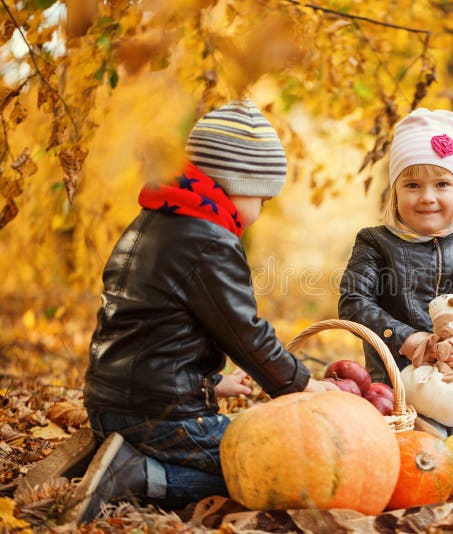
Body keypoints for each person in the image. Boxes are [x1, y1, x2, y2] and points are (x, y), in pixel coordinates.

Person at [62, 99, 335, 524]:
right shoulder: (210, 240)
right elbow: (244, 332)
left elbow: (153, 327)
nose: (261, 212)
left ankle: (119, 455)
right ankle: (137, 475)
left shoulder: (152, 222)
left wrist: (209, 382)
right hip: (159, 416)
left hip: (113, 401)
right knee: (275, 464)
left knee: (246, 460)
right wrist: (299, 385)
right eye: (262, 198)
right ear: (234, 182)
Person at [338, 108, 453, 465]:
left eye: (442, 184)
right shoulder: (375, 243)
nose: (427, 197)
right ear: (395, 191)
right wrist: (406, 338)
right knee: (414, 459)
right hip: (398, 383)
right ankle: (424, 435)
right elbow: (353, 301)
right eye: (413, 184)